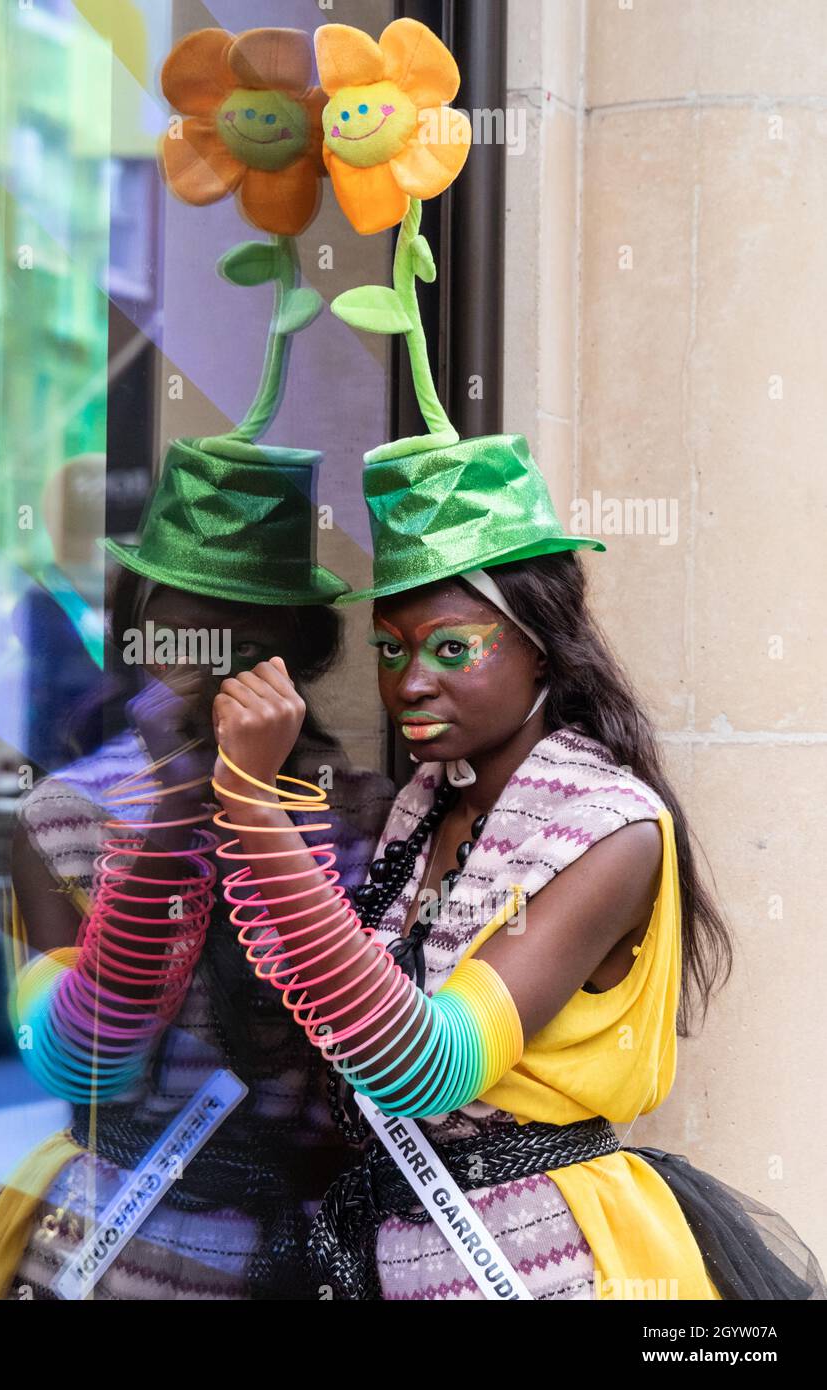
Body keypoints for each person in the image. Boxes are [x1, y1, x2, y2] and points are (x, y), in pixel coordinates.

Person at [206, 13, 822, 1300]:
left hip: (530, 1259)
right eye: (388, 650)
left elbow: (426, 1063)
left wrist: (253, 806)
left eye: (447, 646)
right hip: (383, 1244)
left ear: (543, 644)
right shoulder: (427, 803)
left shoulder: (609, 825)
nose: (408, 682)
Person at [0, 433, 393, 1301]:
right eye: (182, 636)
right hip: (123, 1240)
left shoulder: (361, 812)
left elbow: (371, 1044)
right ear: (141, 640)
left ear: (299, 658)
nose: (209, 670)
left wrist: (256, 802)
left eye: (241, 644)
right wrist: (176, 814)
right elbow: (85, 1061)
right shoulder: (69, 816)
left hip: (312, 1239)